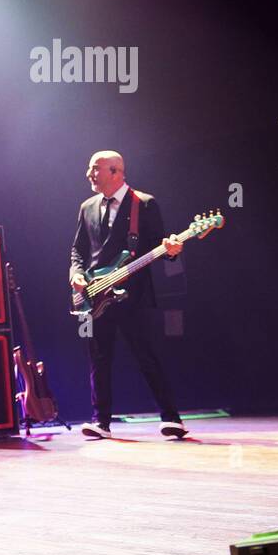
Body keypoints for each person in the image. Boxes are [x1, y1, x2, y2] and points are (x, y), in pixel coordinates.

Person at [69, 151, 186, 440]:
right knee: (99, 359)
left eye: (94, 169)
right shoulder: (87, 207)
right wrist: (75, 274)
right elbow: (78, 249)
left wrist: (172, 250)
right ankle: (101, 422)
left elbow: (162, 247)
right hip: (96, 294)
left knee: (147, 357)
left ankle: (172, 419)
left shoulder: (143, 204)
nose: (89, 174)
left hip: (134, 296)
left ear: (115, 171)